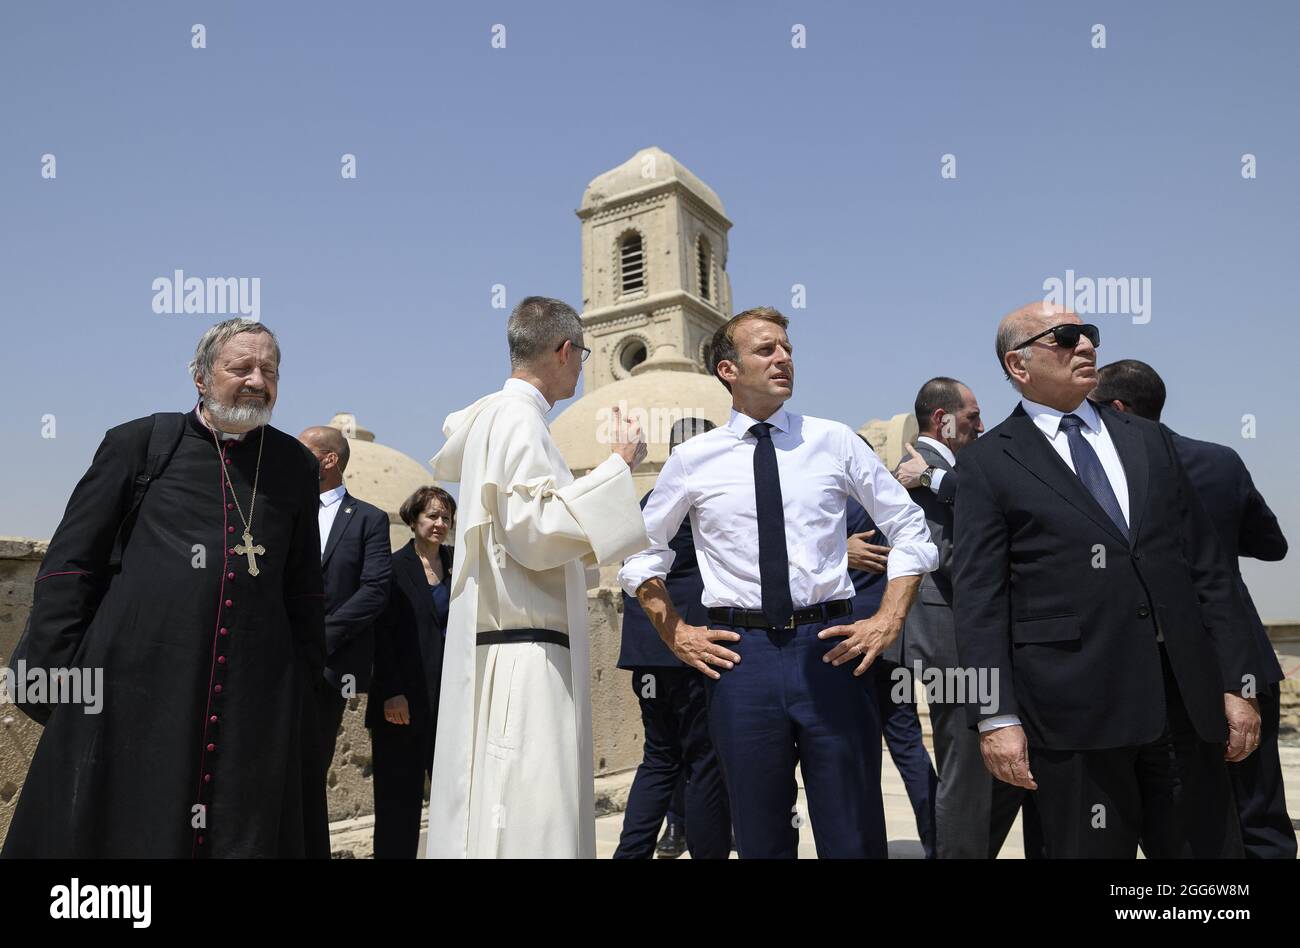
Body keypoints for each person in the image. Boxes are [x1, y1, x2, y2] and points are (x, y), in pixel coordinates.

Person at [619, 306, 937, 858]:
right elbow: (640, 555)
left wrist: (888, 619)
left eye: (787, 348)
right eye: (766, 350)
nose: (784, 358)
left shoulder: (833, 441)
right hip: (741, 662)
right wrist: (677, 635)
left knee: (853, 826)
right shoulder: (695, 459)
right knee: (760, 831)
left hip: (831, 650)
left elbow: (910, 528)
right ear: (728, 369)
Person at [2, 318, 325, 858]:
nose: (256, 380)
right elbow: (68, 566)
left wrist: (306, 686)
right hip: (134, 691)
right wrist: (56, 679)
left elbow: (305, 590)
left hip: (252, 701)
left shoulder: (293, 465)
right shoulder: (140, 444)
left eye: (268, 370)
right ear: (200, 376)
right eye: (239, 367)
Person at [952, 302, 1261, 858]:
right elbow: (979, 602)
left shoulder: (1149, 441)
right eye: (1065, 337)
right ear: (1018, 366)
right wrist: (995, 716)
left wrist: (1238, 683)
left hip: (1183, 709)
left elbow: (1209, 571)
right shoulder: (987, 463)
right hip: (1070, 720)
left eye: (1090, 334)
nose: (1087, 345)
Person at [425, 296, 649, 858]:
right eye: (583, 355)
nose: (582, 367)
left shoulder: (498, 418)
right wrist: (618, 467)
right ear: (565, 350)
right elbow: (534, 530)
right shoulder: (517, 420)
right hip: (526, 658)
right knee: (531, 812)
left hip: (519, 648)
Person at [1093, 358, 1295, 859]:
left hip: (1168, 669)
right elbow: (1272, 545)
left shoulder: (1106, 476)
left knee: (1183, 818)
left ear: (1119, 409)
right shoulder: (1221, 460)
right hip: (1242, 656)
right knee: (1259, 806)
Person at [891, 377, 1025, 858]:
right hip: (950, 639)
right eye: (972, 417)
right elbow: (948, 557)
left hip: (960, 637)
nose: (981, 426)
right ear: (941, 419)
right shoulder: (920, 472)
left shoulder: (944, 471)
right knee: (966, 771)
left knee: (991, 767)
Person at [614, 417, 731, 861]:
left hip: (647, 653)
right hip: (689, 645)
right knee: (704, 761)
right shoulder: (703, 500)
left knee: (660, 758)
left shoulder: (649, 500)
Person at [297, 425, 392, 858]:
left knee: (309, 768)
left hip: (329, 666)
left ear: (328, 459)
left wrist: (319, 638)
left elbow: (374, 590)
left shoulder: (368, 519)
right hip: (274, 663)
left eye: (303, 451)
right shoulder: (281, 510)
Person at [844, 491, 938, 858]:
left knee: (855, 752)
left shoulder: (836, 509)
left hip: (848, 639)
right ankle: (937, 842)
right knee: (908, 745)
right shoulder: (888, 508)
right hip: (891, 642)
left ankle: (865, 846)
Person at [367, 486, 456, 859]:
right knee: (398, 805)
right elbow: (380, 634)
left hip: (451, 702)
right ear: (413, 519)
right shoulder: (391, 567)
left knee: (455, 802)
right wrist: (391, 692)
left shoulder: (459, 563)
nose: (439, 524)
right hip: (401, 702)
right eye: (432, 516)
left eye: (446, 518)